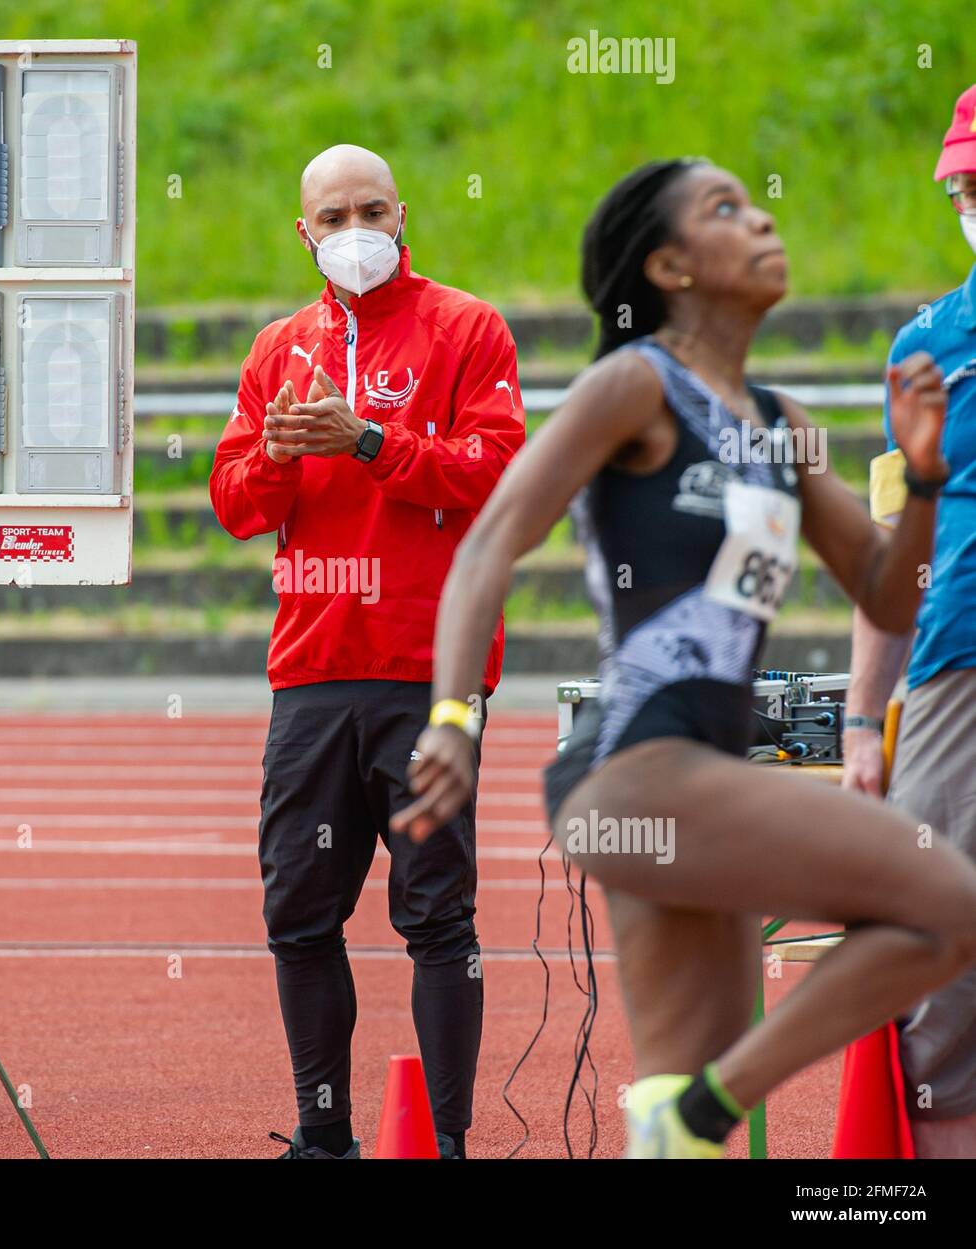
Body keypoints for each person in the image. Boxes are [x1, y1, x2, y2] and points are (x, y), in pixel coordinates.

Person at [392, 157, 976, 1158]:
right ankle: (702, 1105)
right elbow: (490, 539)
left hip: (695, 792)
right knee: (948, 907)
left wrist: (924, 481)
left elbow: (886, 594)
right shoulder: (635, 384)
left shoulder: (783, 428)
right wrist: (451, 717)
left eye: (755, 204)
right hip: (635, 775)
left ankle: (687, 1116)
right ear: (668, 265)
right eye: (724, 211)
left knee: (674, 1141)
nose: (759, 220)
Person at [209, 144, 524, 1158]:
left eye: (370, 210)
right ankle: (323, 1132)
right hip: (310, 667)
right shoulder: (277, 348)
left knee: (437, 914)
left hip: (433, 665)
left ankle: (445, 1139)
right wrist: (277, 456)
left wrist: (367, 442)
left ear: (402, 215)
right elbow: (232, 505)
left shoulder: (467, 327)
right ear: (302, 233)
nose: (355, 232)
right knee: (298, 914)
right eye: (332, 216)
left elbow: (495, 475)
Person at [842, 83, 976, 1158]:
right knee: (936, 955)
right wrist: (856, 719)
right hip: (953, 669)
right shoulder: (924, 345)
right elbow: (894, 545)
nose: (974, 199)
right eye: (966, 186)